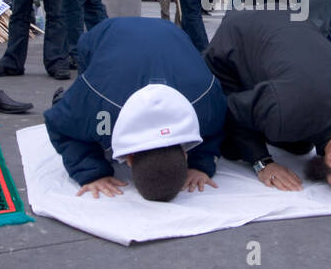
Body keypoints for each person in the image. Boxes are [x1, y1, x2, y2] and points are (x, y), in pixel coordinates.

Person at [205, 9, 331, 203]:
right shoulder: (285, 111)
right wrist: (262, 162)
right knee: (231, 146)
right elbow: (232, 109)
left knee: (298, 145)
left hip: (288, 21)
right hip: (235, 37)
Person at [43, 17, 227, 201]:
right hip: (106, 35)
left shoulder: (204, 107)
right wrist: (92, 172)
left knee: (84, 113)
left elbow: (217, 127)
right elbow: (59, 125)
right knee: (77, 106)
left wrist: (201, 164)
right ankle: (66, 99)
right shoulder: (101, 108)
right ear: (185, 154)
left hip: (170, 33)